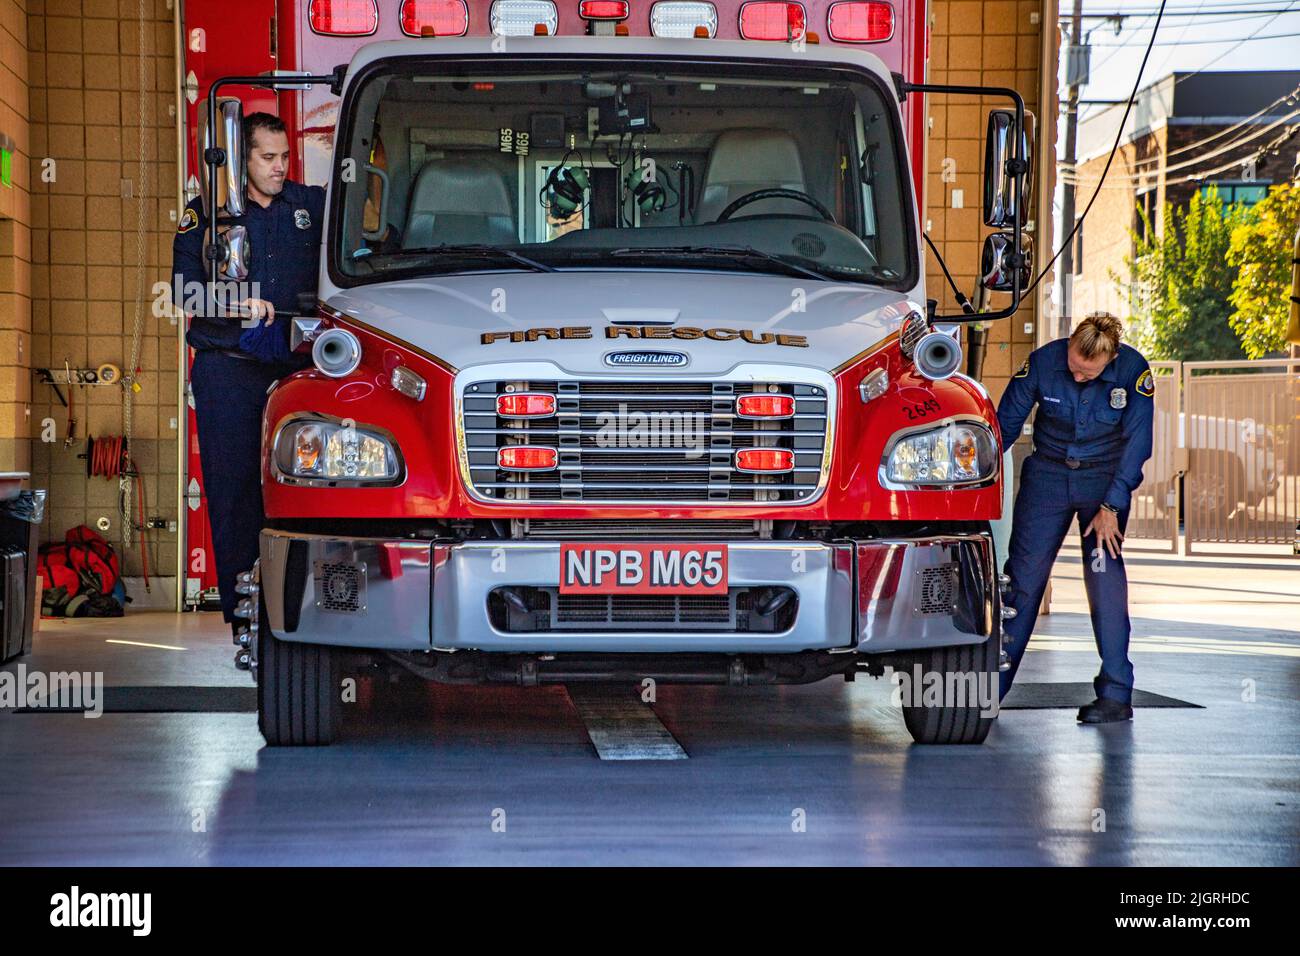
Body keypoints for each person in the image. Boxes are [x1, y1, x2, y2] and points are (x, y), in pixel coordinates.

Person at [172, 112, 324, 637]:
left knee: (306, 489)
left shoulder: (310, 207)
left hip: (298, 372)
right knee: (234, 492)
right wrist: (239, 303)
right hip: (229, 371)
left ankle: (306, 613)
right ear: (242, 159)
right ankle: (244, 618)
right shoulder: (205, 219)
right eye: (267, 158)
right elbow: (182, 294)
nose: (280, 168)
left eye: (285, 157)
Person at [996, 314, 1155, 723]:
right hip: (1048, 478)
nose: (1079, 377)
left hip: (1103, 483)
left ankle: (1116, 695)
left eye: (1090, 373)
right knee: (1023, 581)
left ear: (1110, 359)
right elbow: (1006, 424)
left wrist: (1112, 507)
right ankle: (989, 691)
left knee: (1104, 580)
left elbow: (1138, 443)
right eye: (1074, 368)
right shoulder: (1044, 361)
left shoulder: (1133, 372)